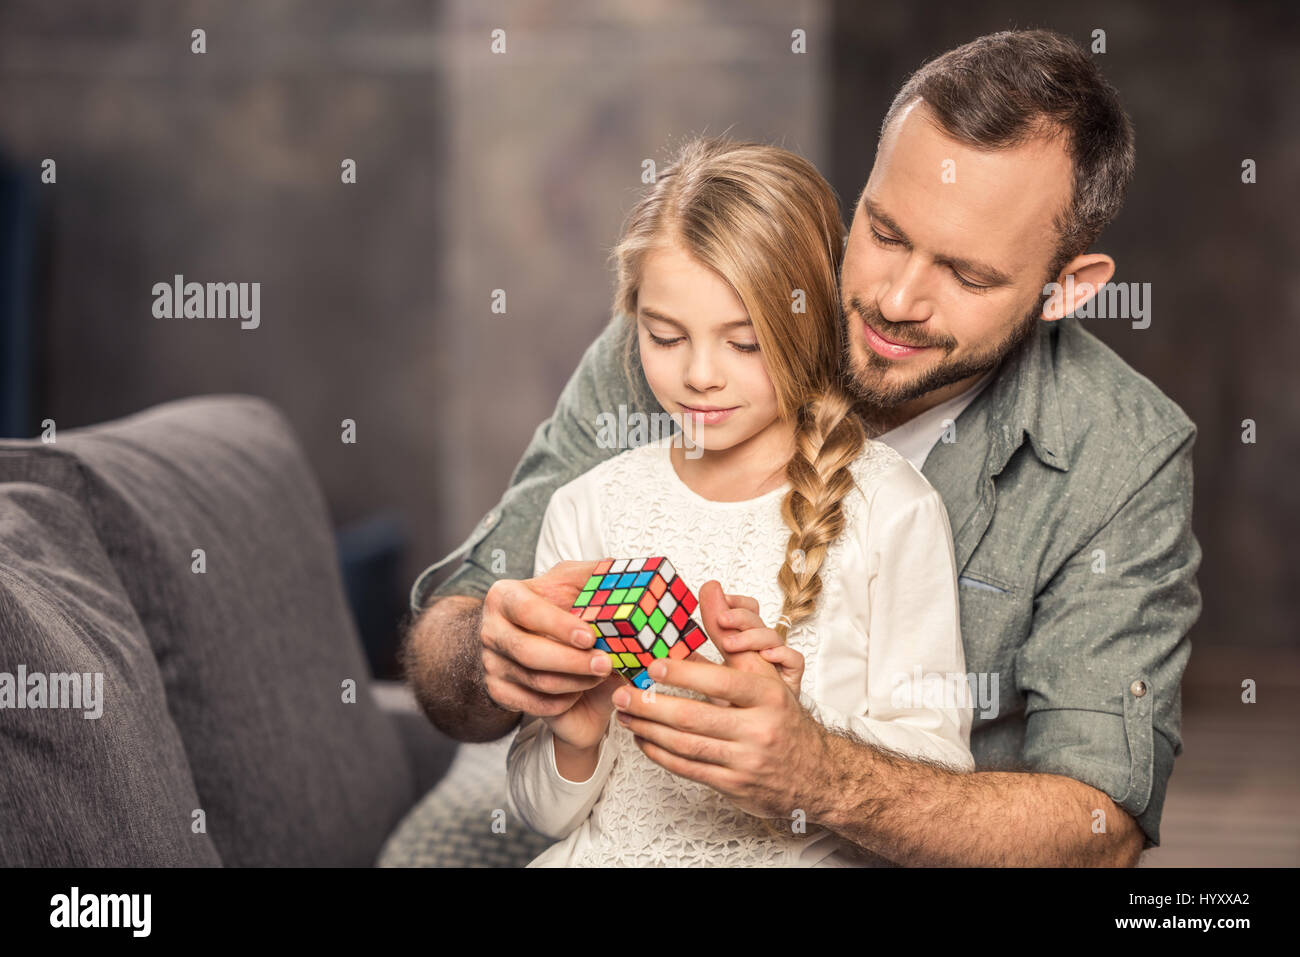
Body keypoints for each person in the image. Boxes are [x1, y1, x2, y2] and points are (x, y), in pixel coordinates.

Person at [401, 29, 1202, 866]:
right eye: (886, 232)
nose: (896, 299)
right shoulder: (696, 326)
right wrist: (497, 656)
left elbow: (1098, 829)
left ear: (1065, 288)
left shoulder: (1121, 453)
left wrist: (816, 772)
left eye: (967, 276)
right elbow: (453, 649)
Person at [505, 137, 975, 866]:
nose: (699, 375)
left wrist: (805, 736)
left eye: (744, 344)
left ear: (807, 323)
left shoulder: (892, 509)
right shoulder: (587, 507)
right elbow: (544, 813)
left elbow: (942, 779)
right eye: (665, 336)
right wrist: (574, 732)